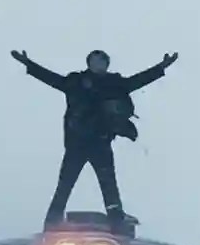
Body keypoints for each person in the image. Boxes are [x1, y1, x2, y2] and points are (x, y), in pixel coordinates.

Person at [10, 48, 178, 233]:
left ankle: (116, 222)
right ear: (88, 63)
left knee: (109, 186)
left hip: (101, 143)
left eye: (102, 62)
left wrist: (161, 67)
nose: (98, 65)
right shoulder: (75, 82)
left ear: (107, 64)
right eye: (95, 61)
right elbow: (52, 79)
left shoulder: (114, 83)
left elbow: (138, 80)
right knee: (65, 185)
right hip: (77, 144)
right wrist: (29, 65)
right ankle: (52, 223)